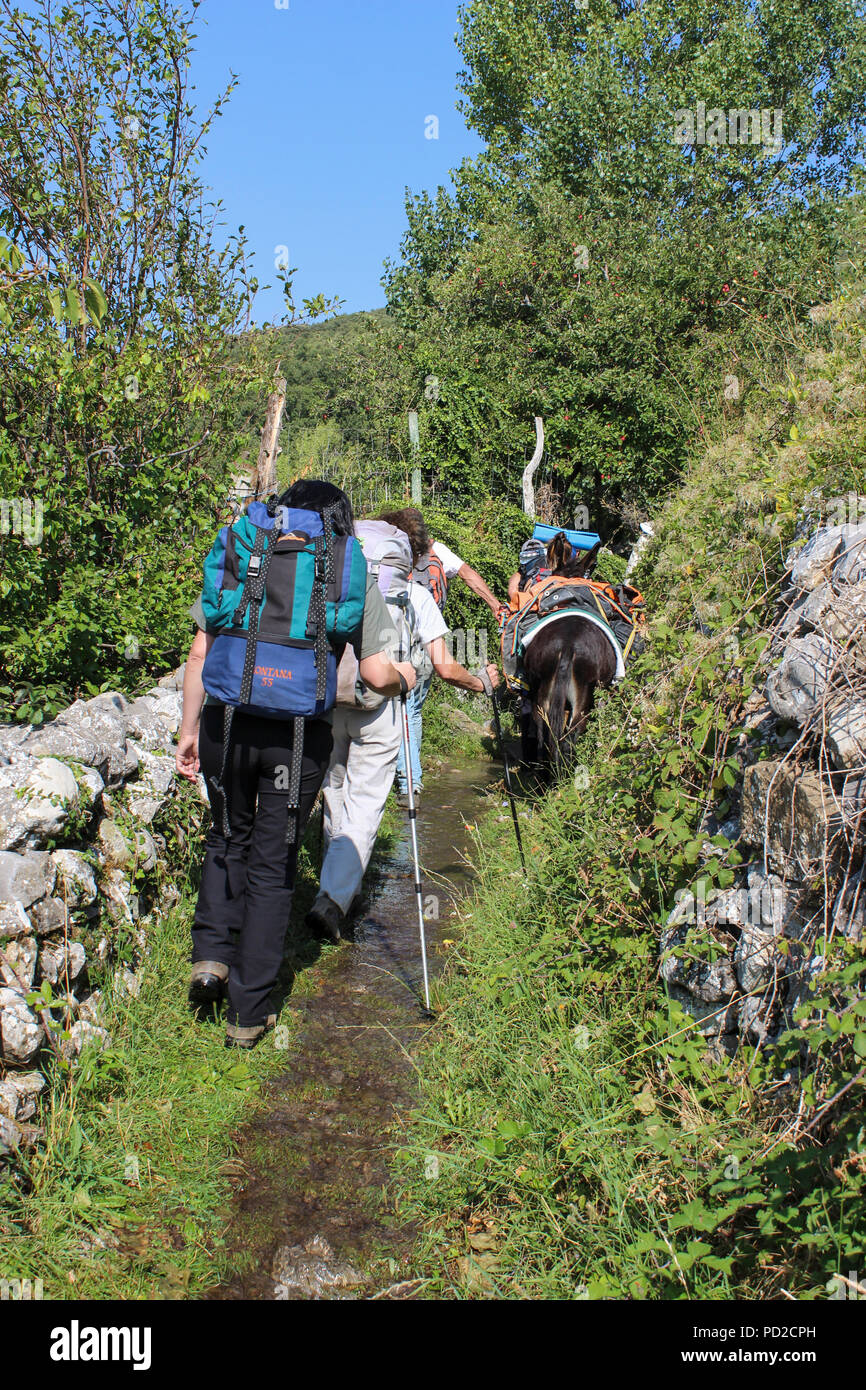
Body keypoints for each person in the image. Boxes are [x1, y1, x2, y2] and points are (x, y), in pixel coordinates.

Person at [176, 480, 416, 1048]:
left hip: (224, 723)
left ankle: (210, 958)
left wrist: (188, 731)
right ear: (340, 520)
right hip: (296, 734)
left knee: (226, 836)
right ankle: (248, 1013)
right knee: (273, 859)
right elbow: (379, 675)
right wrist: (410, 676)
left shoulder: (246, 547)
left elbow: (200, 651)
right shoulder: (345, 565)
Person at [306, 515, 500, 941]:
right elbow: (446, 667)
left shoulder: (341, 581)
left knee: (334, 790)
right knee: (366, 801)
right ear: (412, 554)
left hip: (328, 700)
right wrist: (481, 682)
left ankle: (331, 885)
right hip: (381, 705)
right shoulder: (413, 595)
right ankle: (333, 898)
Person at [379, 507, 501, 803]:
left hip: (385, 635)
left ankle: (393, 778)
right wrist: (495, 604)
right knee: (412, 710)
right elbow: (469, 575)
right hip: (425, 637)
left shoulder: (381, 550)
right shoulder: (438, 550)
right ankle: (410, 784)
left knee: (383, 705)